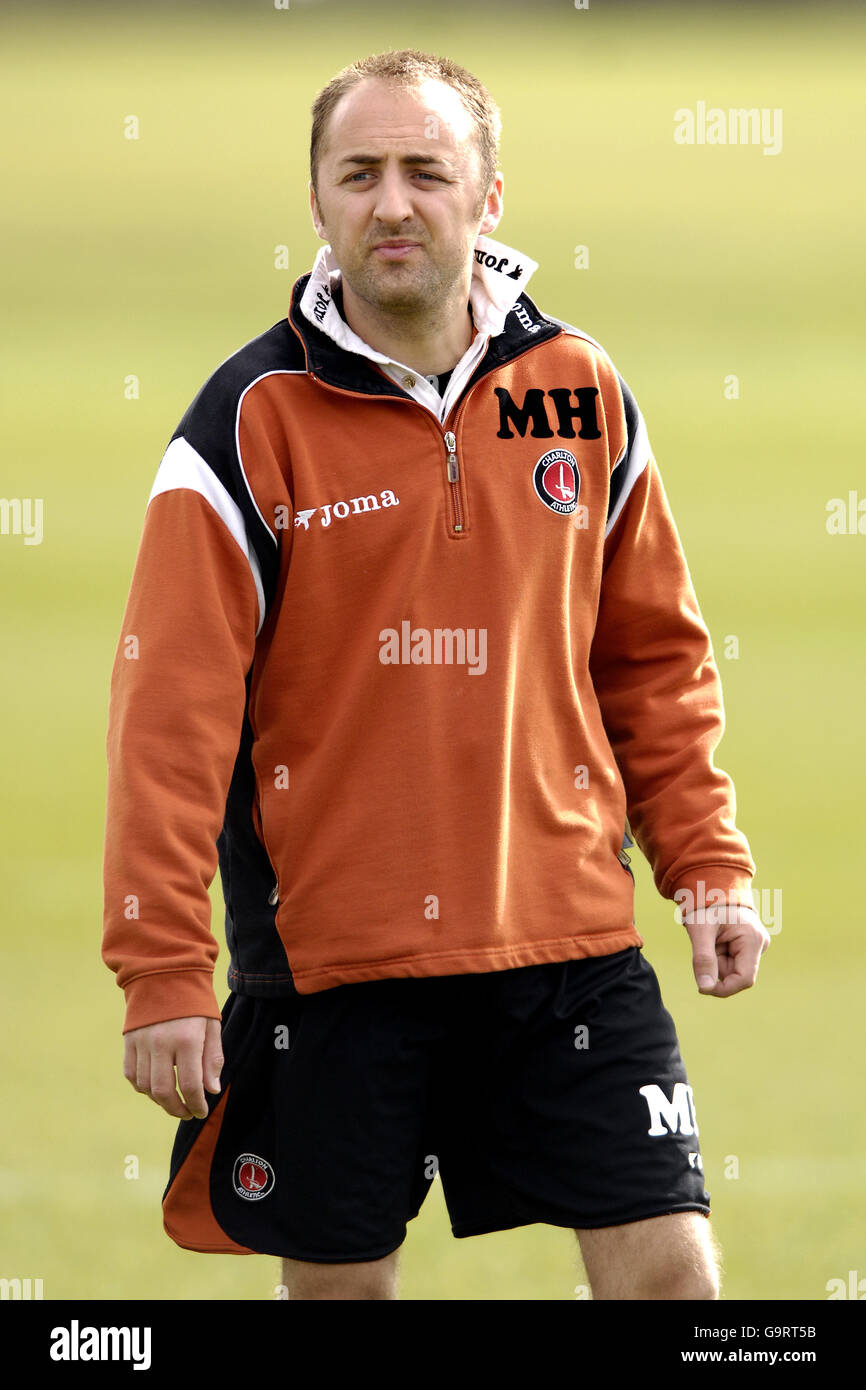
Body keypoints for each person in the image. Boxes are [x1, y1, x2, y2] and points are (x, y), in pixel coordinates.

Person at [102, 48, 770, 1301]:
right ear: (317, 202)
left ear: (489, 196)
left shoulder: (577, 389)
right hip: (338, 967)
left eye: (424, 170)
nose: (391, 203)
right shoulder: (245, 423)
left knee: (672, 1287)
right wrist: (161, 971)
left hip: (564, 942)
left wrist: (707, 863)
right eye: (358, 174)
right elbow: (168, 716)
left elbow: (651, 659)